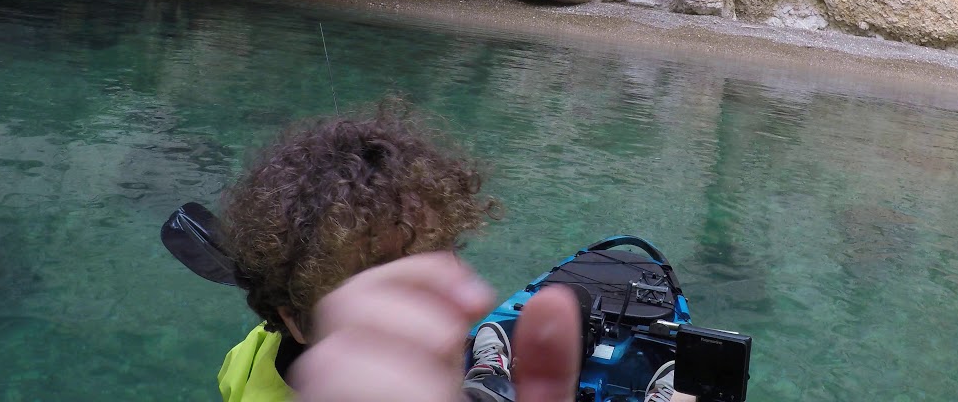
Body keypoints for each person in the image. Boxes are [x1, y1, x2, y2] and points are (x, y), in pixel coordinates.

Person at [215, 105, 692, 402]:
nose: (431, 297)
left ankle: (485, 375)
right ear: (296, 320)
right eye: (376, 278)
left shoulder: (249, 355)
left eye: (433, 256)